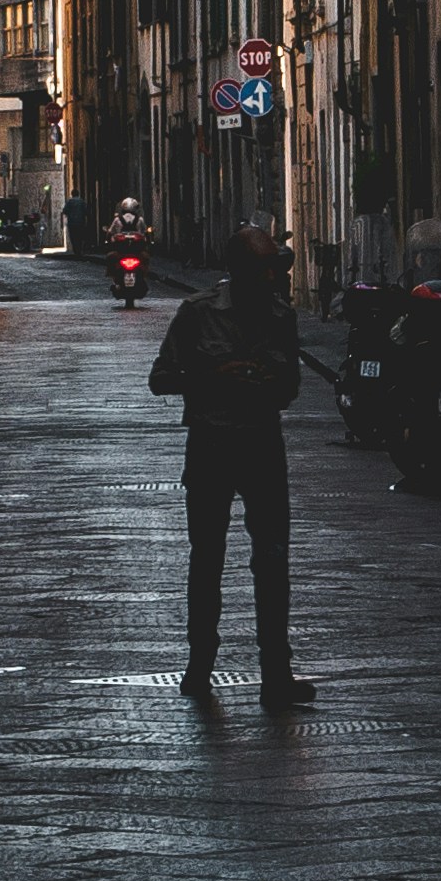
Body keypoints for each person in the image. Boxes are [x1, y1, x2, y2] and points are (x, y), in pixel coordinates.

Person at [149, 222, 315, 708]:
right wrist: (214, 376)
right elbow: (161, 379)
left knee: (273, 560)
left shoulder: (281, 316)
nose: (277, 278)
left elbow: (290, 390)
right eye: (268, 269)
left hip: (263, 446)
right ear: (243, 272)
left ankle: (276, 675)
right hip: (212, 447)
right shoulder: (197, 314)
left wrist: (267, 381)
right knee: (207, 561)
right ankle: (199, 666)